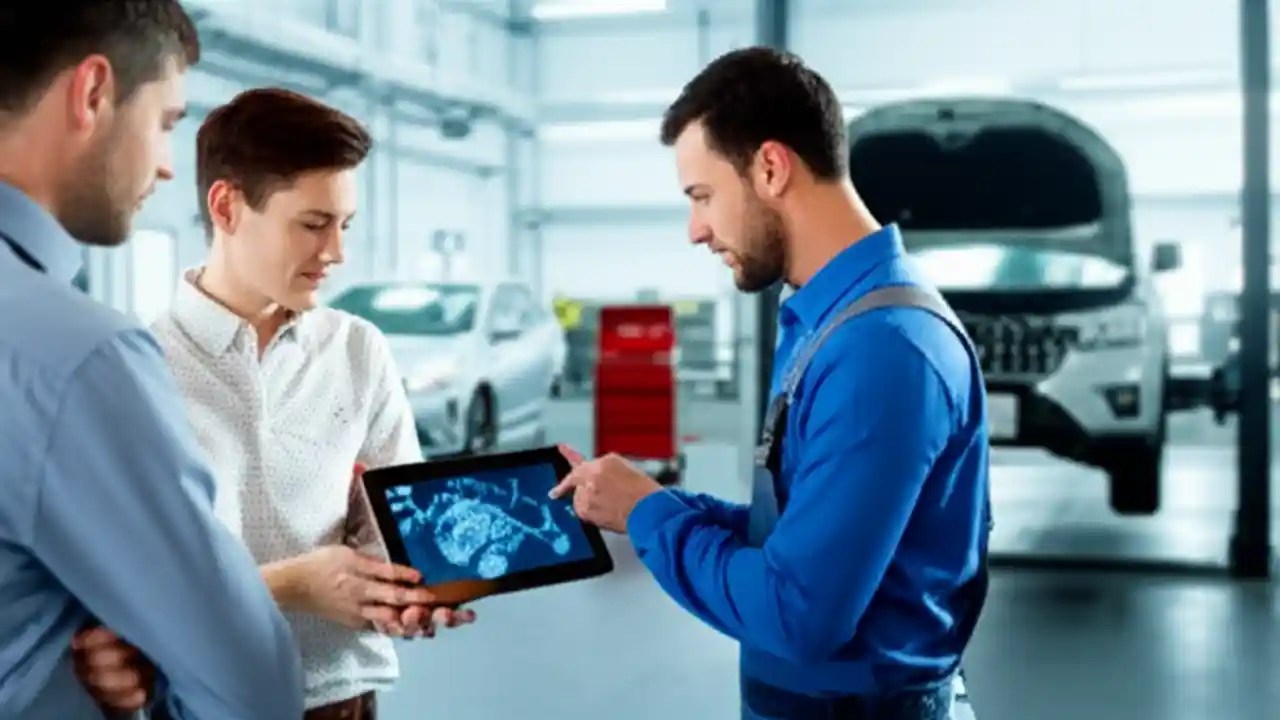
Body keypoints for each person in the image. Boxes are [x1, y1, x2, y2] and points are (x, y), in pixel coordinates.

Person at [551, 47, 991, 720]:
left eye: (702, 196)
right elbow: (799, 533)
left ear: (771, 167)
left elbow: (797, 613)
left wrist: (650, 516)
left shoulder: (881, 348)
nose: (695, 229)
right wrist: (651, 501)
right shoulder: (834, 316)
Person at [71, 87, 477, 718]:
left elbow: (396, 527)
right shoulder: (137, 369)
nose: (335, 253)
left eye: (344, 225)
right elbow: (126, 592)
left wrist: (401, 586)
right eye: (313, 225)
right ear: (227, 206)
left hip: (344, 699)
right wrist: (293, 584)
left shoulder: (357, 349)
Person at [0, 3, 307, 718]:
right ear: (93, 93)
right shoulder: (76, 357)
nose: (169, 166)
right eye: (167, 122)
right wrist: (157, 677)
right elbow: (252, 690)